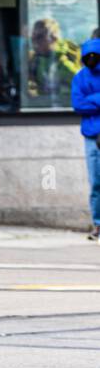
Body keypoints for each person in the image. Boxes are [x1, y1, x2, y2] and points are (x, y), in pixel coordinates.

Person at [71, 37, 100, 241]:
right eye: (88, 57)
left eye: (95, 56)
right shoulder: (80, 78)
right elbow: (78, 104)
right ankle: (98, 223)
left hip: (91, 129)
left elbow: (85, 103)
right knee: (96, 182)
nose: (92, 60)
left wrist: (93, 98)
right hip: (92, 135)